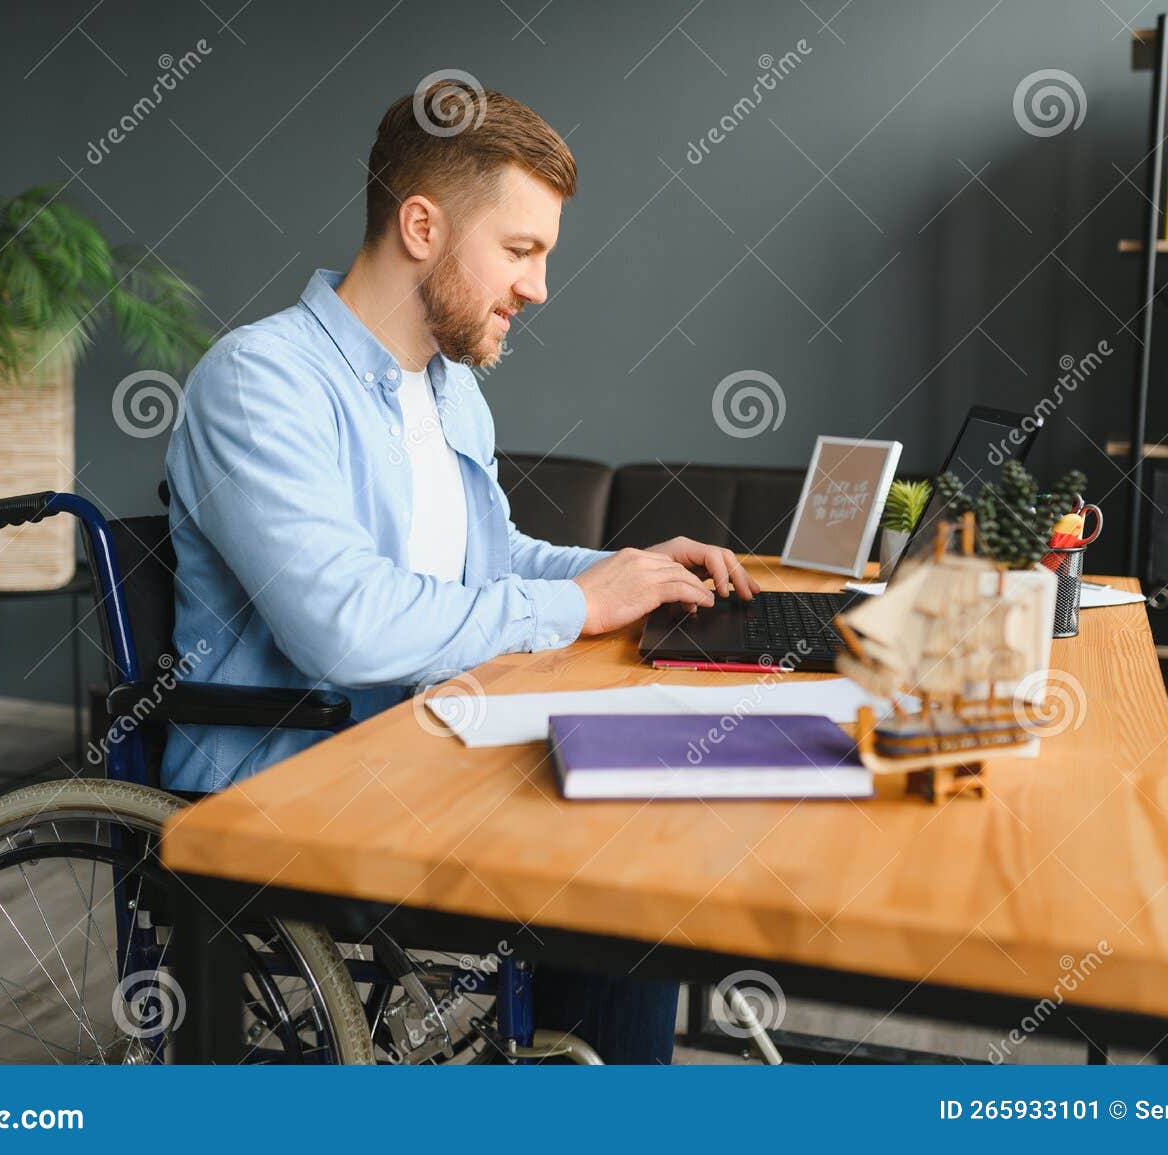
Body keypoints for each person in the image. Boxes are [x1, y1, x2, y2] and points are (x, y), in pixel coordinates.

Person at [161, 81, 761, 1062]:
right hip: (291, 783)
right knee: (620, 866)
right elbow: (344, 628)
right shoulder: (257, 380)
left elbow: (490, 563)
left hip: (422, 745)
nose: (537, 287)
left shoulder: (450, 393)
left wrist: (627, 570)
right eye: (520, 251)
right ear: (422, 224)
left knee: (655, 812)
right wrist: (576, 604)